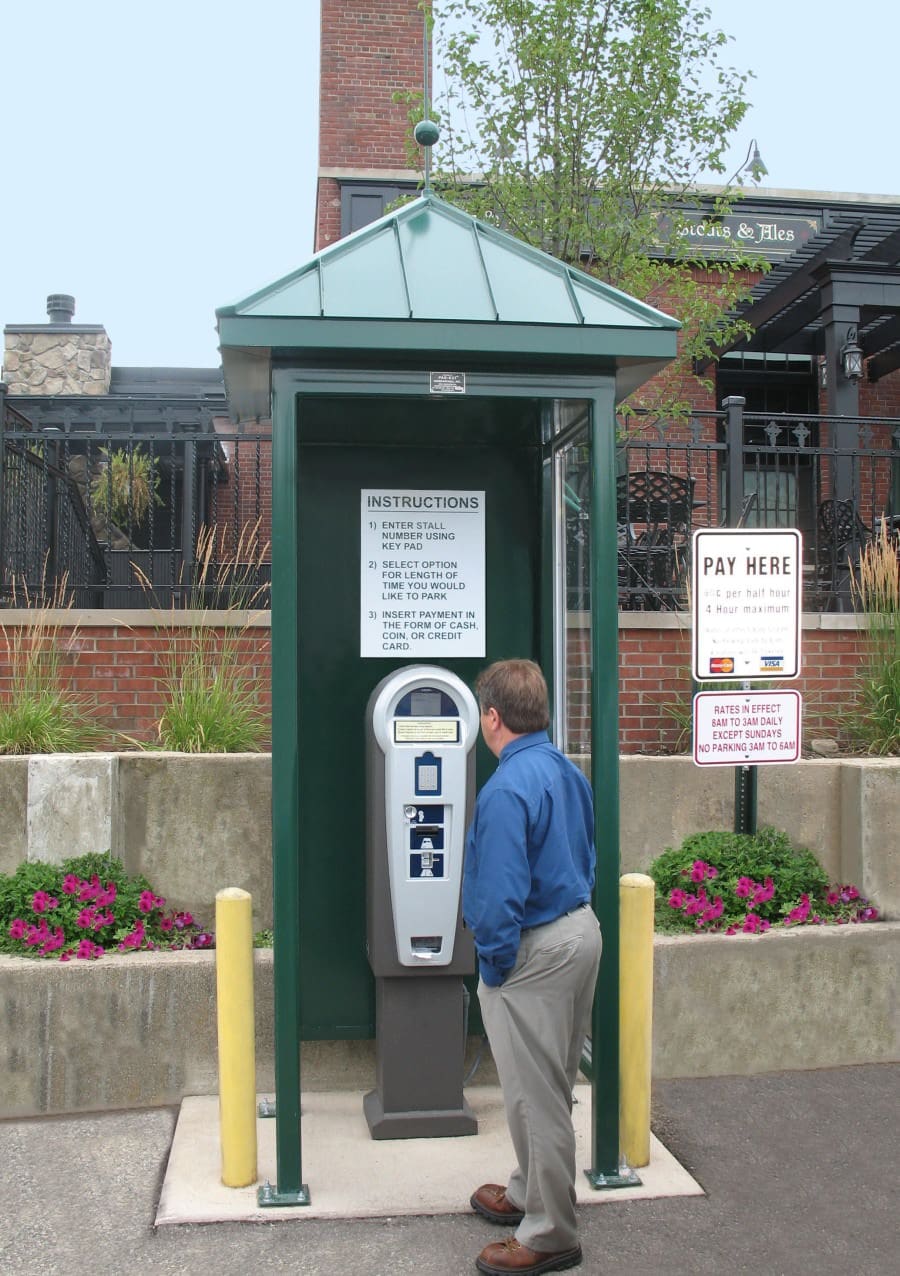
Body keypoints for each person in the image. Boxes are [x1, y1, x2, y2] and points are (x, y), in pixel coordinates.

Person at [463, 659, 602, 1276]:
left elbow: (497, 896)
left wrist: (494, 967)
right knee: (551, 1085)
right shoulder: (565, 772)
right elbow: (587, 853)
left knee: (533, 1097)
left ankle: (550, 1234)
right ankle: (527, 1191)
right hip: (579, 932)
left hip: (533, 952)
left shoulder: (503, 790)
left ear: (493, 716)